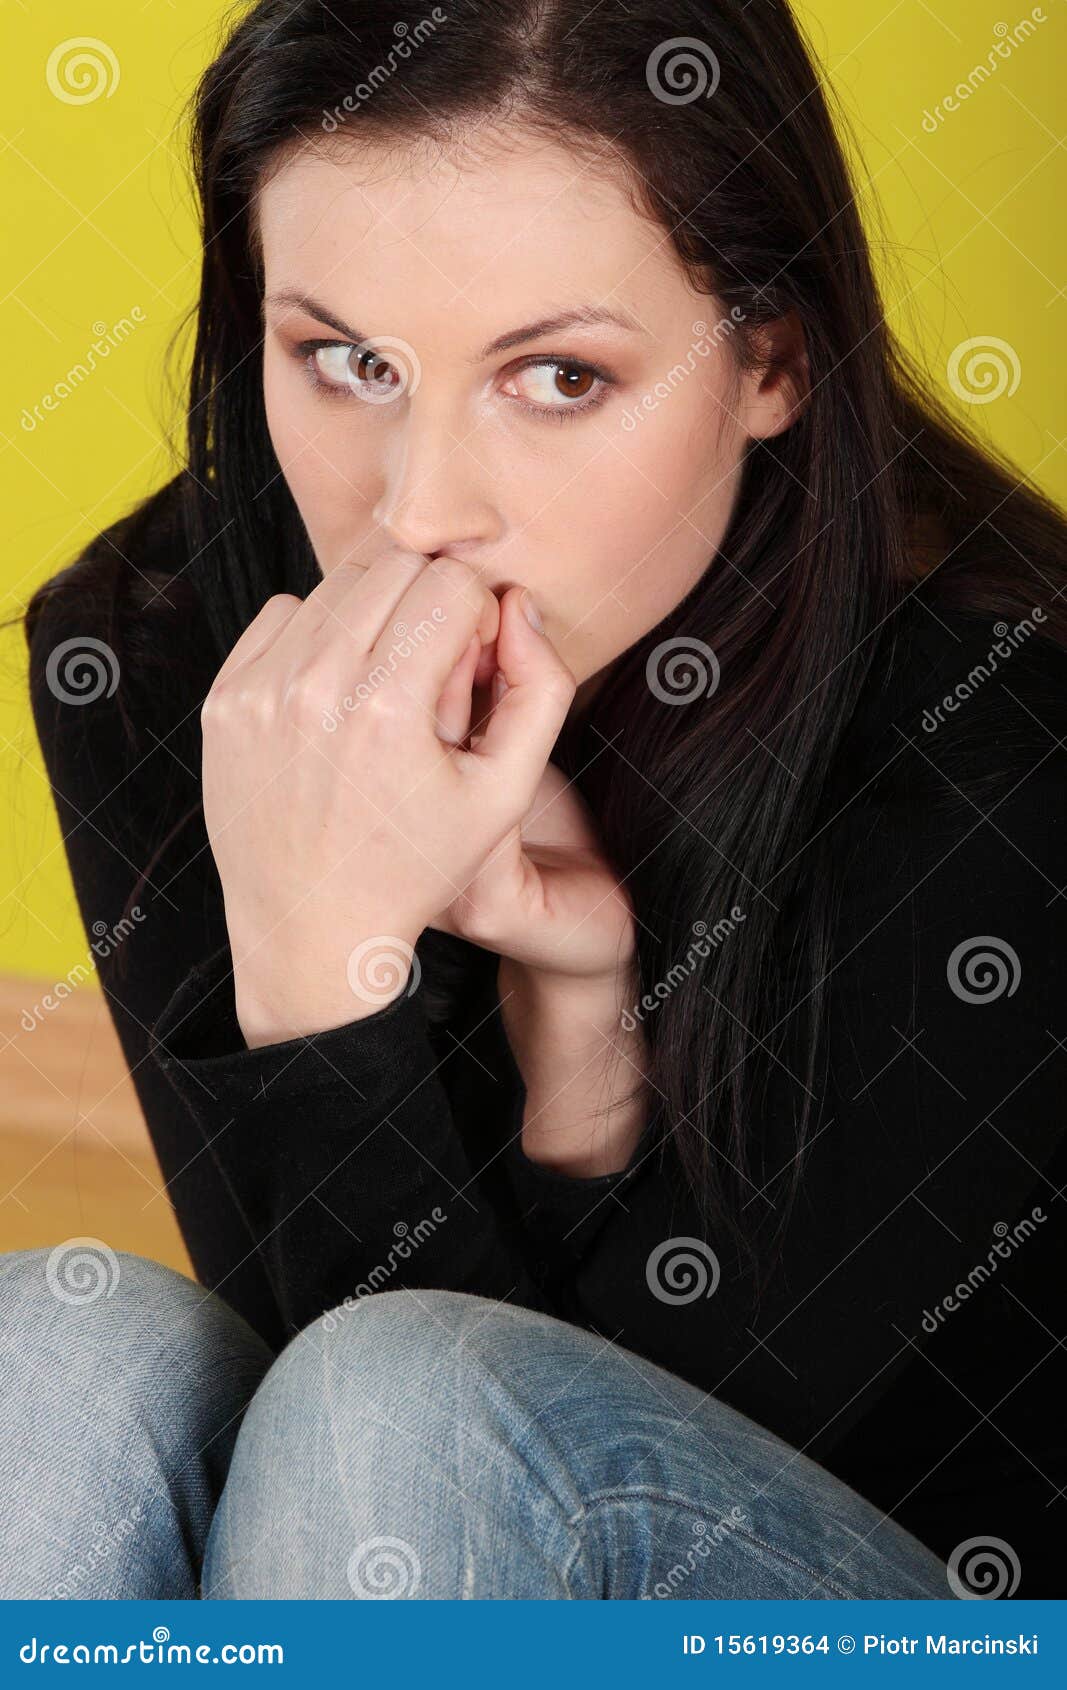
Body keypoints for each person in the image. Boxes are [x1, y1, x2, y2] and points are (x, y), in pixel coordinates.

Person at [4, 0, 1064, 1601]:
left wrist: (319, 969)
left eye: (559, 376)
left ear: (771, 358)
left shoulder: (1001, 737)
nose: (419, 509)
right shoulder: (157, 653)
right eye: (346, 361)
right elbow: (319, 1483)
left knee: (398, 1408)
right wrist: (577, 1058)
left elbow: (540, 1488)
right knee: (49, 1353)